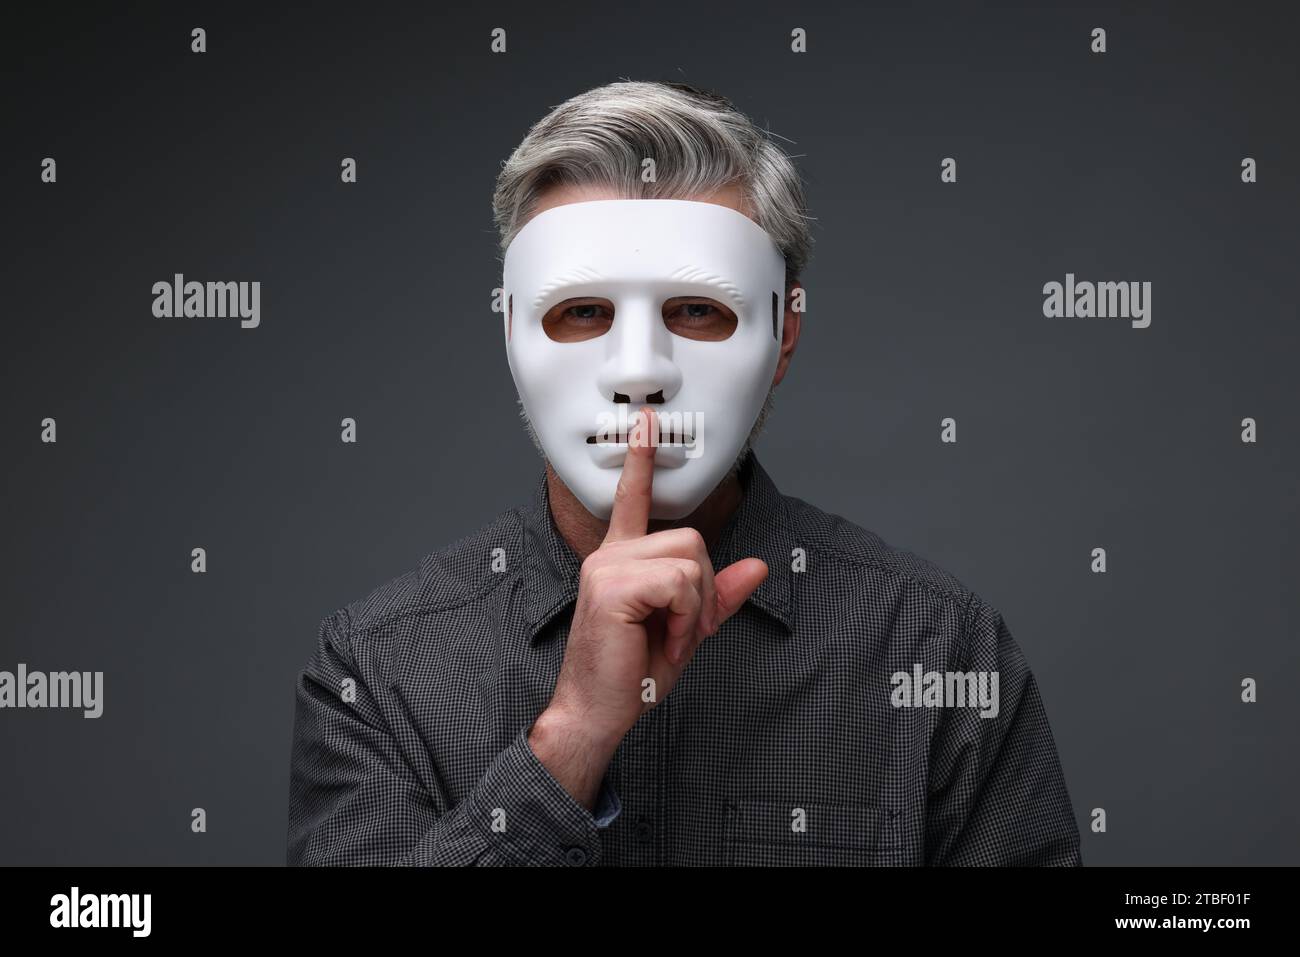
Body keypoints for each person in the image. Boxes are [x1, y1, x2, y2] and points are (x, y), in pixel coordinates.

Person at [286, 79, 1081, 866]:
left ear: (785, 330)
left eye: (698, 310)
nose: (640, 373)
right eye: (583, 311)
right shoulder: (379, 672)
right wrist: (569, 740)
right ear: (508, 328)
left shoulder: (935, 648)